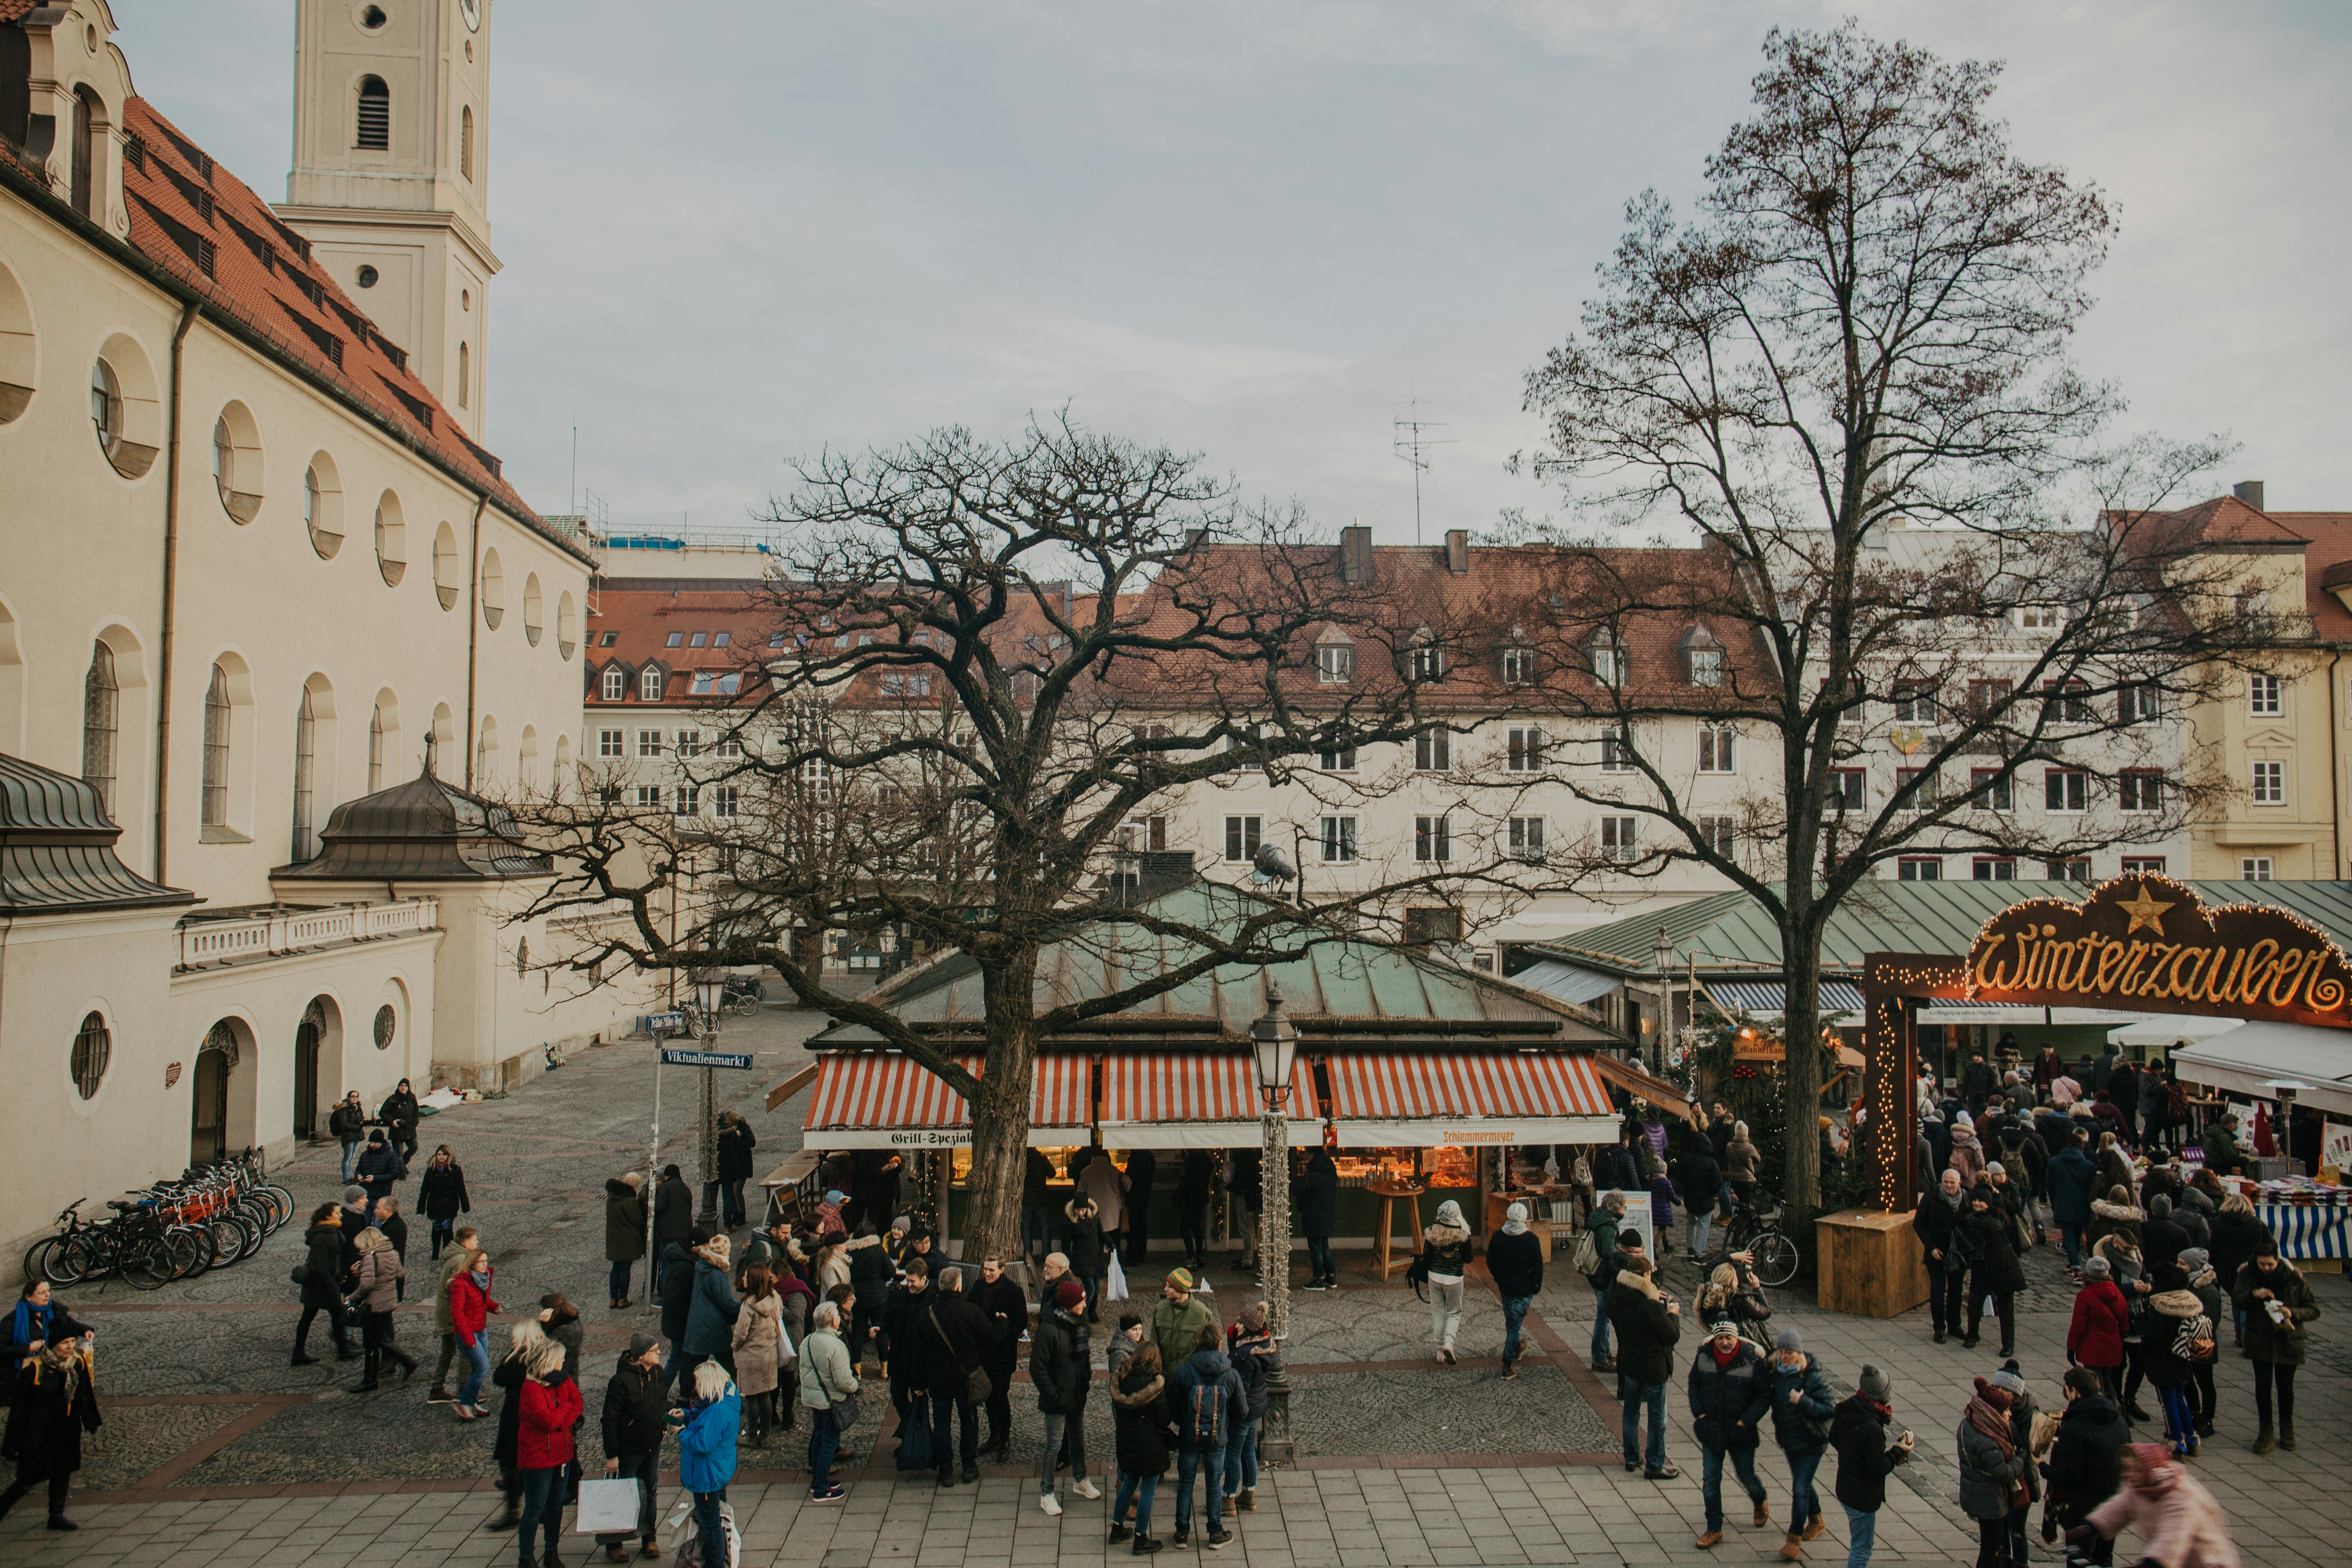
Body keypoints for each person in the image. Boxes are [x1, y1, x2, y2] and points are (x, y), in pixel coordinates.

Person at [2072, 1445, 2239, 1568]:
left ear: (2146, 1470)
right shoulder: (2140, 1485)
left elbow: (2171, 1542)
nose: (2125, 1474)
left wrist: (2148, 1564)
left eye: (2130, 1469)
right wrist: (2086, 1530)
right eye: (2124, 1469)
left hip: (2207, 1563)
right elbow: (2117, 1509)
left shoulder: (2182, 1499)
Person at [1686, 1316, 1770, 1550]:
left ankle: (1759, 1499)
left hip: (1740, 1433)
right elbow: (1694, 1383)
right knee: (1711, 1480)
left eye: (1729, 1338)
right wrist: (1699, 1412)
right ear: (1714, 1339)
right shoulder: (1704, 1356)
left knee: (1746, 1476)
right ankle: (1714, 1528)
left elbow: (1764, 1396)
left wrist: (1746, 1421)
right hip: (1711, 1429)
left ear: (1737, 1338)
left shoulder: (1751, 1359)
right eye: (1721, 1338)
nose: (1725, 1342)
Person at [0, 1335, 99, 1532]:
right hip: (39, 1432)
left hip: (67, 1428)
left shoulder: (76, 1363)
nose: (70, 1347)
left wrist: (90, 1420)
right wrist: (12, 1444)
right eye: (65, 1343)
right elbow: (19, 1411)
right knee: (29, 1477)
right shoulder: (35, 1370)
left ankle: (56, 1514)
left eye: (72, 1342)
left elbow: (84, 1393)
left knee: (63, 1470)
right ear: (54, 1346)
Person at [2233, 1241, 2316, 1454]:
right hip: (2259, 1339)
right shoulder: (2248, 1275)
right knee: (2263, 1385)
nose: (2266, 1268)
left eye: (2270, 1264)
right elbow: (2237, 1300)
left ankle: (2287, 1429)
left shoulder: (2294, 1278)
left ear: (2277, 1260)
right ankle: (2265, 1430)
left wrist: (2292, 1313)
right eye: (2262, 1264)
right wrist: (2254, 1294)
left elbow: (2313, 1309)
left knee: (2285, 1386)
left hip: (2288, 1340)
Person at [1168, 1321, 1243, 1551]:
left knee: (1186, 1484)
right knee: (1213, 1483)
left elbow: (1170, 1405)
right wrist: (1224, 1423)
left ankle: (1181, 1533)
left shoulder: (1184, 1371)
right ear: (1219, 1343)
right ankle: (1215, 1533)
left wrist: (1186, 1422)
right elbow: (1243, 1410)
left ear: (1198, 1343)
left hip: (1190, 1438)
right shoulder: (1230, 1373)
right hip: (1217, 1440)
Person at [1607, 1252, 1682, 1481]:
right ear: (1647, 1275)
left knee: (1631, 1413)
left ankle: (1632, 1458)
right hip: (1653, 1367)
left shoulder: (1618, 1296)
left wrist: (1651, 1297)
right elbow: (1671, 1335)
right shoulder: (1651, 1308)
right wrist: (1672, 1314)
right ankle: (1655, 1464)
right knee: (1657, 1417)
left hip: (1630, 1362)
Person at [595, 1333, 668, 1563]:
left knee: (651, 1490)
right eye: (654, 1350)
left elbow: (662, 1402)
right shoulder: (621, 1381)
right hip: (629, 1448)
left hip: (651, 1444)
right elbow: (610, 1419)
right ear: (640, 1356)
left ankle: (649, 1538)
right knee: (620, 1494)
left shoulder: (658, 1373)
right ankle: (614, 1543)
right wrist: (612, 1455)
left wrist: (663, 1425)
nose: (658, 1353)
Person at [1830, 1364, 1912, 1568]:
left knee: (1859, 1541)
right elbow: (1878, 1469)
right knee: (1862, 1549)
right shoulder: (1872, 1428)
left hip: (1845, 1487)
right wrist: (1899, 1451)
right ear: (1882, 1395)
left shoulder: (1848, 1408)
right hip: (1862, 1497)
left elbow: (1834, 1438)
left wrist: (1854, 1454)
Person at [2044, 1366, 2125, 1568]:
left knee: (2079, 1560)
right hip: (2112, 1504)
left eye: (2067, 1389)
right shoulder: (2119, 1420)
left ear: (2075, 1392)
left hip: (2082, 1509)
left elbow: (2069, 1475)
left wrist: (2042, 1466)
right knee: (2104, 1558)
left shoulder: (2075, 1427)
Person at [1033, 1276, 1100, 1516]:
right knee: (1054, 1444)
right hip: (1058, 1398)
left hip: (1075, 1394)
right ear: (1068, 1305)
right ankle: (1047, 1493)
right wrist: (1054, 1395)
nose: (1085, 1306)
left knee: (1078, 1437)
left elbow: (1084, 1359)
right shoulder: (1049, 1330)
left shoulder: (1078, 1323)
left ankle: (1080, 1480)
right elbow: (1037, 1369)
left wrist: (1085, 1382)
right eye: (1081, 1302)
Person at [1767, 1329, 1836, 1560]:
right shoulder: (1777, 1373)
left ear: (1799, 1354)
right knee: (1803, 1484)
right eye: (1781, 1352)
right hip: (1789, 1441)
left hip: (1811, 1443)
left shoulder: (1812, 1378)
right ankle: (1816, 1520)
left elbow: (1830, 1408)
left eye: (1789, 1353)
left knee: (1799, 1488)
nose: (1784, 1357)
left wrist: (1803, 1401)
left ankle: (1793, 1539)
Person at [512, 1339, 581, 1568]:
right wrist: (565, 1412)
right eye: (560, 1358)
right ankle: (526, 1557)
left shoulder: (564, 1379)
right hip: (538, 1459)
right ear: (549, 1362)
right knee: (534, 1509)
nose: (564, 1361)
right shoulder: (531, 1389)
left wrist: (561, 1417)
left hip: (563, 1456)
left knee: (555, 1507)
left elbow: (578, 1403)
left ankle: (552, 1552)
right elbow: (548, 1421)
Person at [921, 1266, 989, 1488]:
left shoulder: (928, 1313)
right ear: (959, 1287)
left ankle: (946, 1471)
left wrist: (919, 1382)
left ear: (940, 1286)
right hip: (966, 1379)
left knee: (941, 1424)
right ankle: (969, 1467)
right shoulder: (971, 1311)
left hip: (939, 1379)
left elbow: (918, 1351)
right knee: (969, 1421)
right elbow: (991, 1336)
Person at [484, 1320, 551, 1531]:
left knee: (509, 1463)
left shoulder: (518, 1361)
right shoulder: (545, 1356)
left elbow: (499, 1377)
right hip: (538, 1417)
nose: (512, 1340)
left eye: (515, 1336)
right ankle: (540, 1509)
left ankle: (513, 1512)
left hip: (516, 1419)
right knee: (536, 1463)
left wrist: (513, 1354)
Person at [1956, 1376, 2027, 1568]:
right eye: (2006, 1411)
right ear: (1993, 1414)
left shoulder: (1971, 1423)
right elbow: (2003, 1473)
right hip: (1990, 1501)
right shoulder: (1988, 1439)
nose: (2010, 1414)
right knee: (1991, 1549)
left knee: (1991, 1547)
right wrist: (2021, 1457)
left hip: (1978, 1495)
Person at [1110, 1340, 1173, 1555]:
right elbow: (1164, 1419)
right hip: (1149, 1446)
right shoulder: (1154, 1385)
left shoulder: (1122, 1378)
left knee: (1129, 1483)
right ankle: (1141, 1538)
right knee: (1148, 1490)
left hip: (1127, 1442)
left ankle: (1117, 1528)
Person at [677, 1359, 742, 1568]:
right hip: (718, 1469)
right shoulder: (725, 1401)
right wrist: (687, 1416)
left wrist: (682, 1432)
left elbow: (703, 1443)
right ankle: (721, 1557)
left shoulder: (717, 1411)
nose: (696, 1388)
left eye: (698, 1383)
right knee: (717, 1515)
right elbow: (705, 1425)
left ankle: (716, 1562)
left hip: (706, 1474)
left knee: (711, 1522)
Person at [2142, 1274, 2209, 1457]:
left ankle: (2176, 1442)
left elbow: (2153, 1337)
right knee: (2180, 1400)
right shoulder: (2192, 1303)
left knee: (2168, 1404)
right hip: (2184, 1361)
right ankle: (2190, 1438)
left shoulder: (2161, 1307)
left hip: (2164, 1363)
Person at [968, 1254, 1027, 1461]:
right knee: (988, 1397)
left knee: (1000, 1397)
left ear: (1002, 1270)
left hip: (1002, 1356)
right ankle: (994, 1435)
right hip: (983, 1354)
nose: (987, 1273)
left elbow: (1021, 1322)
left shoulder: (1013, 1292)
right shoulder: (978, 1288)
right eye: (985, 1269)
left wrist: (1004, 1337)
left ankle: (1004, 1439)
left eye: (992, 1270)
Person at [799, 1300, 858, 1503]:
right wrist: (856, 1386)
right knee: (829, 1443)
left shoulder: (807, 1341)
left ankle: (817, 1482)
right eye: (838, 1317)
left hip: (814, 1400)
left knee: (818, 1437)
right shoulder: (836, 1346)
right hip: (831, 1402)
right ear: (833, 1321)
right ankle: (822, 1489)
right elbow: (843, 1381)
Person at [1958, 1179, 2024, 1357]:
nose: (1977, 1204)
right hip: (1982, 1267)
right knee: (1974, 1303)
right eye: (1975, 1201)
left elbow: (1994, 1226)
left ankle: (2008, 1344)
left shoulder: (1997, 1216)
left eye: (1981, 1201)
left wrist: (1970, 1222)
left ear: (1988, 1203)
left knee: (2006, 1308)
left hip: (2003, 1268)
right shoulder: (1969, 1216)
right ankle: (1972, 1335)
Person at [349, 1226, 417, 1392]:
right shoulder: (392, 1253)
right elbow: (400, 1274)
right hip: (389, 1303)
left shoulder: (369, 1258)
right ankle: (405, 1362)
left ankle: (371, 1380)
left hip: (375, 1306)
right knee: (383, 1339)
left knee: (371, 1343)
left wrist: (351, 1298)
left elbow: (367, 1284)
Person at [1223, 1302, 1273, 1514]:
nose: (1237, 1325)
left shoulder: (1244, 1355)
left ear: (1248, 1328)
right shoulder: (1264, 1343)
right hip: (1257, 1405)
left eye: (1240, 1322)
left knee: (1233, 1453)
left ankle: (1228, 1499)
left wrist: (1233, 1411)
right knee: (1248, 1450)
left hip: (1244, 1409)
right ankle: (1249, 1494)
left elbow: (1238, 1388)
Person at [292, 1202, 355, 1366]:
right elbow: (319, 1263)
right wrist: (331, 1284)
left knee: (314, 1317)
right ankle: (341, 1349)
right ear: (328, 1216)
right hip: (321, 1285)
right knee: (321, 1316)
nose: (341, 1215)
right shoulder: (323, 1235)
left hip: (324, 1284)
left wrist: (339, 1275)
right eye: (337, 1213)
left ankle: (301, 1353)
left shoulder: (330, 1230)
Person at [1488, 1201, 1544, 1379]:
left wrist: (1498, 1277)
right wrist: (1536, 1286)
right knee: (1514, 1325)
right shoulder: (1531, 1239)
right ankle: (1508, 1364)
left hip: (1505, 1287)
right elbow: (1538, 1266)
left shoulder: (1498, 1237)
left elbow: (1491, 1261)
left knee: (1512, 1321)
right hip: (1524, 1288)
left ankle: (1517, 1347)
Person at [733, 1264, 787, 1447]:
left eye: (747, 1277)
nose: (744, 1280)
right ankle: (764, 1435)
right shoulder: (775, 1298)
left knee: (751, 1397)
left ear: (754, 1281)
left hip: (751, 1356)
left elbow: (741, 1334)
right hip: (769, 1354)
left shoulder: (748, 1305)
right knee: (765, 1396)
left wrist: (734, 1346)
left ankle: (751, 1437)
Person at [427, 1223, 482, 1403]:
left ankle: (437, 1389)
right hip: (453, 1315)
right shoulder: (461, 1261)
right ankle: (464, 1389)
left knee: (448, 1350)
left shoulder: (457, 1256)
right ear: (466, 1244)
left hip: (447, 1313)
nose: (477, 1242)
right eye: (474, 1240)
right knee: (468, 1351)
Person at [679, 1234, 740, 1394]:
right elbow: (726, 1302)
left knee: (694, 1361)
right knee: (727, 1361)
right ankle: (733, 1393)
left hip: (699, 1323)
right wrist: (742, 1308)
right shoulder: (717, 1274)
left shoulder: (702, 1267)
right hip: (713, 1326)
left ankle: (685, 1395)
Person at [2066, 1257, 2131, 1404]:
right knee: (2108, 1382)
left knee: (2096, 1386)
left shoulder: (2085, 1296)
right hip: (2112, 1348)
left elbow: (2078, 1327)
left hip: (2092, 1349)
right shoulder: (2118, 1295)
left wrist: (2071, 1348)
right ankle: (2117, 1410)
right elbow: (2124, 1324)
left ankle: (2106, 1413)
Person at [1419, 1198, 1476, 1365]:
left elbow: (1427, 1256)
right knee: (1454, 1313)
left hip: (1435, 1278)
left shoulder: (1432, 1230)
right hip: (1454, 1279)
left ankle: (1439, 1352)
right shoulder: (1463, 1233)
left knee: (1438, 1313)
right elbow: (1469, 1258)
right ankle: (1449, 1344)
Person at [1914, 1170, 1967, 1346]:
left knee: (1955, 1291)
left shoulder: (1966, 1199)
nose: (1949, 1186)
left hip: (1957, 1254)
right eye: (1946, 1182)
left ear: (1959, 1184)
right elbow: (1919, 1224)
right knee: (1937, 1292)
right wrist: (1932, 1248)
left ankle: (1955, 1325)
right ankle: (1939, 1328)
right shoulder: (1931, 1198)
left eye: (1952, 1183)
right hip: (1936, 1253)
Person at [2208, 1193, 2269, 1345]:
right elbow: (2270, 1245)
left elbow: (2214, 1247)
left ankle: (2239, 1332)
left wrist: (2212, 1267)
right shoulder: (2257, 1223)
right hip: (2250, 1267)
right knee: (2247, 1298)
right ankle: (2245, 1333)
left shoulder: (2219, 1222)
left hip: (2226, 1268)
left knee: (2236, 1297)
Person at [450, 1247, 502, 1420]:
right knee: (483, 1367)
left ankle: (471, 1401)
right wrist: (468, 1338)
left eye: (487, 1261)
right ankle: (464, 1403)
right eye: (481, 1262)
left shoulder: (483, 1280)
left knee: (478, 1368)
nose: (485, 1265)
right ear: (472, 1263)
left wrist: (493, 1307)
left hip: (481, 1329)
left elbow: (482, 1302)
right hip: (469, 1333)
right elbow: (457, 1314)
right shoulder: (461, 1284)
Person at [1584, 1191, 1628, 1371]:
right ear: (1616, 1207)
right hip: (1603, 1277)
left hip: (1596, 1275)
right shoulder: (1608, 1226)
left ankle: (1605, 1351)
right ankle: (1599, 1359)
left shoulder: (1600, 1217)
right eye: (1624, 1206)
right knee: (1603, 1317)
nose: (1626, 1209)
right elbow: (1608, 1253)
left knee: (1605, 1315)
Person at [1149, 1269, 1216, 1380]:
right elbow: (1154, 1345)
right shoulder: (1160, 1309)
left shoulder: (1203, 1315)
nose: (1165, 1290)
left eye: (1169, 1287)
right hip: (1163, 1379)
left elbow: (1209, 1353)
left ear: (1181, 1290)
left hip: (1190, 1380)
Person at [2046, 1132, 2097, 1271]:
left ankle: (2075, 1268)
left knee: (2069, 1239)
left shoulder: (2055, 1162)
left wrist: (2054, 1204)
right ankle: (2074, 1265)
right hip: (2082, 1207)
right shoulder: (2089, 1166)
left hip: (2063, 1205)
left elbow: (2049, 1186)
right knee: (2075, 1237)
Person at [1295, 1146, 1340, 1290]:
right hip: (1327, 1213)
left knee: (1315, 1247)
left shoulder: (1312, 1174)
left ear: (1311, 1155)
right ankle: (1331, 1276)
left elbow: (1297, 1188)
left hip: (1313, 1215)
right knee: (1324, 1246)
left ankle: (1319, 1279)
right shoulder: (1331, 1170)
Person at [1697, 1261, 1771, 1346]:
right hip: (1745, 1343)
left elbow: (1709, 1267)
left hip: (1721, 1340)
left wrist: (1735, 1261)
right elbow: (1765, 1312)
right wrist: (1757, 1288)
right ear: (1734, 1280)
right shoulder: (1742, 1300)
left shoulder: (1709, 1297)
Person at [417, 1144, 470, 1260]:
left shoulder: (455, 1170)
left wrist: (465, 1206)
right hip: (435, 1205)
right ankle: (435, 1251)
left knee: (447, 1230)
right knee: (436, 1229)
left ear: (448, 1156)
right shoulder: (431, 1170)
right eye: (439, 1154)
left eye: (444, 1155)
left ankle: (448, 1253)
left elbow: (461, 1188)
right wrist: (421, 1208)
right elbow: (425, 1190)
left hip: (449, 1205)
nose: (441, 1157)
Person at [651, 1165, 694, 1300]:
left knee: (666, 1267)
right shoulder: (685, 1188)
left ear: (667, 1176)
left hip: (668, 1234)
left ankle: (664, 1297)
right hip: (684, 1234)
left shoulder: (666, 1188)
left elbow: (658, 1207)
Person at [604, 1171, 647, 1309]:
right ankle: (623, 1299)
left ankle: (613, 1299)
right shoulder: (629, 1201)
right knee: (625, 1268)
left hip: (614, 1239)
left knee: (616, 1267)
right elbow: (637, 1220)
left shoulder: (611, 1199)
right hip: (627, 1240)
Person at [1678, 1137, 1724, 1262]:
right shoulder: (1711, 1163)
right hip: (1706, 1200)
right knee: (1704, 1226)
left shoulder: (1686, 1159)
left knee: (1691, 1223)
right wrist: (1711, 1193)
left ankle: (1690, 1249)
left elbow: (1680, 1177)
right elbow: (1718, 1182)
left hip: (1691, 1198)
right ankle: (1700, 1254)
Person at [1066, 1196, 1107, 1321]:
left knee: (1096, 1290)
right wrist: (1069, 1261)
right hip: (1082, 1261)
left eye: (1083, 1210)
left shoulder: (1094, 1219)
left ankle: (1091, 1311)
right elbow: (1066, 1243)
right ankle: (1082, 1315)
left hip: (1095, 1260)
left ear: (1087, 1209)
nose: (1080, 1213)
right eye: (1078, 1210)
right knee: (1091, 1290)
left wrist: (1109, 1242)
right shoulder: (1071, 1223)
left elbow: (1101, 1234)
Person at [1176, 1150, 1216, 1275]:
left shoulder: (1193, 1161)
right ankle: (1199, 1256)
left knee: (1184, 1228)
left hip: (1191, 1199)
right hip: (1201, 1198)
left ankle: (1191, 1259)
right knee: (1196, 1226)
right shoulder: (1205, 1160)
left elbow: (1188, 1181)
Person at [354, 1127, 406, 1205]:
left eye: (375, 1142)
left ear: (381, 1143)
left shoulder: (391, 1155)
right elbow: (359, 1170)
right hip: (365, 1193)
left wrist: (375, 1178)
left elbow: (394, 1174)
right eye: (371, 1142)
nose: (372, 1145)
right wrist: (358, 1176)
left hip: (382, 1195)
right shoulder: (365, 1155)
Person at [373, 1195, 410, 1302]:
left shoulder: (391, 1229)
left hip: (389, 1282)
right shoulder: (396, 1224)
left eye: (378, 1208)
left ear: (388, 1211)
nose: (375, 1211)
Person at [1125, 1148, 1157, 1267]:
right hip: (1145, 1196)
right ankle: (1142, 1253)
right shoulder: (1150, 1158)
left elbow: (1128, 1179)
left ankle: (1133, 1255)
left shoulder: (1134, 1159)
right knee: (1142, 1225)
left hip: (1134, 1196)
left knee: (1133, 1226)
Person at [1023, 1147, 1057, 1261]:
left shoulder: (1021, 1159)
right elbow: (1053, 1173)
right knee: (1045, 1227)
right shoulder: (1041, 1159)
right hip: (1041, 1198)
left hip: (1026, 1199)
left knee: (1027, 1228)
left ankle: (1028, 1255)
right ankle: (1047, 1253)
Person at [378, 1077, 421, 1163]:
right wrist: (392, 1121)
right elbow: (383, 1112)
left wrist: (415, 1123)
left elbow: (416, 1110)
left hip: (410, 1129)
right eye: (401, 1086)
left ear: (408, 1087)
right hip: (397, 1130)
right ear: (398, 1087)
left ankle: (403, 1164)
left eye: (405, 1086)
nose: (403, 1088)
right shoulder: (393, 1099)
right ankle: (402, 1173)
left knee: (414, 1147)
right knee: (399, 1153)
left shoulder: (412, 1098)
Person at [330, 1090, 368, 1182]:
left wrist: (363, 1123)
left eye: (357, 1097)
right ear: (348, 1098)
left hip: (357, 1135)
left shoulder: (358, 1107)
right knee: (348, 1157)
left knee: (352, 1156)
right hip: (348, 1136)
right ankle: (346, 1178)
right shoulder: (344, 1109)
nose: (355, 1099)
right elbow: (344, 1124)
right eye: (353, 1097)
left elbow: (361, 1119)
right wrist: (358, 1127)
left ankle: (349, 1177)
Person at [1724, 1121, 1761, 1212]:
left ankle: (1740, 1221)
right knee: (1746, 1203)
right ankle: (1745, 1221)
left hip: (1734, 1179)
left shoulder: (1729, 1146)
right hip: (1747, 1180)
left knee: (1741, 1201)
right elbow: (1758, 1159)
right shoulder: (1750, 1148)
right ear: (1746, 1134)